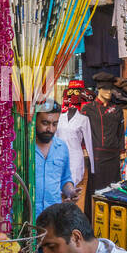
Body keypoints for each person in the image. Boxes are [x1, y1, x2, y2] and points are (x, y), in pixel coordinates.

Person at [31, 100, 77, 253]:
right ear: (34, 120)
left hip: (52, 224)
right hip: (27, 222)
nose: (49, 128)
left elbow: (65, 180)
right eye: (45, 123)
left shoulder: (61, 148)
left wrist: (70, 191)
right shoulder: (23, 146)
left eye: (54, 124)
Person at [83, 72, 125, 204]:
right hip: (97, 155)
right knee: (95, 189)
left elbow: (120, 132)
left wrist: (122, 151)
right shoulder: (88, 109)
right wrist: (84, 149)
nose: (108, 92)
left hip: (113, 156)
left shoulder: (117, 110)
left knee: (113, 189)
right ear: (98, 89)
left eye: (110, 89)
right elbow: (82, 132)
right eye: (105, 89)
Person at [56, 80, 95, 210]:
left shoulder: (84, 119)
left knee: (74, 190)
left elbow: (89, 142)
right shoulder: (59, 118)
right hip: (59, 157)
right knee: (60, 190)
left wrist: (93, 167)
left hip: (75, 157)